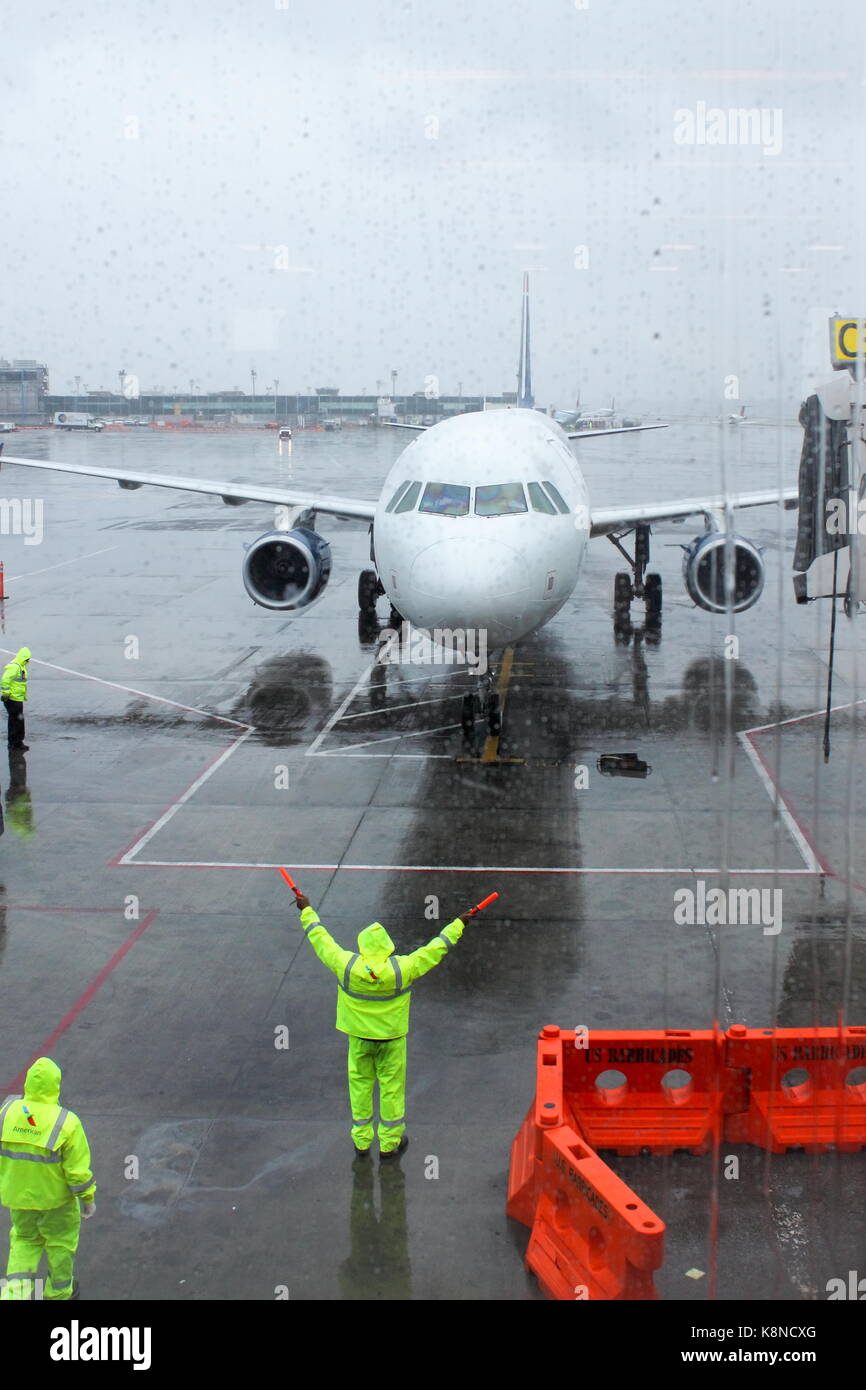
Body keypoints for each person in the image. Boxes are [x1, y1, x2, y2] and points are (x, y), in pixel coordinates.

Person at [294, 894, 472, 1158]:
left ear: (362, 946)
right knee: (392, 1090)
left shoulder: (347, 966)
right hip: (391, 1041)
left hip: (359, 1040)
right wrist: (459, 923)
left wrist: (306, 909)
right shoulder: (402, 968)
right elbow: (436, 948)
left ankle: (361, 1142)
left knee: (360, 1087)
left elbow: (321, 939)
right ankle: (389, 1144)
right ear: (387, 946)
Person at [0, 1057, 96, 1300]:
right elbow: (77, 1172)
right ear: (56, 1085)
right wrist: (87, 1199)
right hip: (57, 1203)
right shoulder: (66, 1122)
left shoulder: (7, 1112)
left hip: (18, 1198)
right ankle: (59, 1292)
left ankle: (14, 1295)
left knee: (24, 1241)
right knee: (60, 1245)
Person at [1, 647, 31, 751]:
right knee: (16, 720)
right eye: (27, 659)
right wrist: (5, 693)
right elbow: (5, 680)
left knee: (17, 720)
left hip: (17, 698)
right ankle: (15, 743)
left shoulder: (21, 666)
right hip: (12, 698)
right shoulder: (15, 667)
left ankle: (17, 742)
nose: (28, 661)